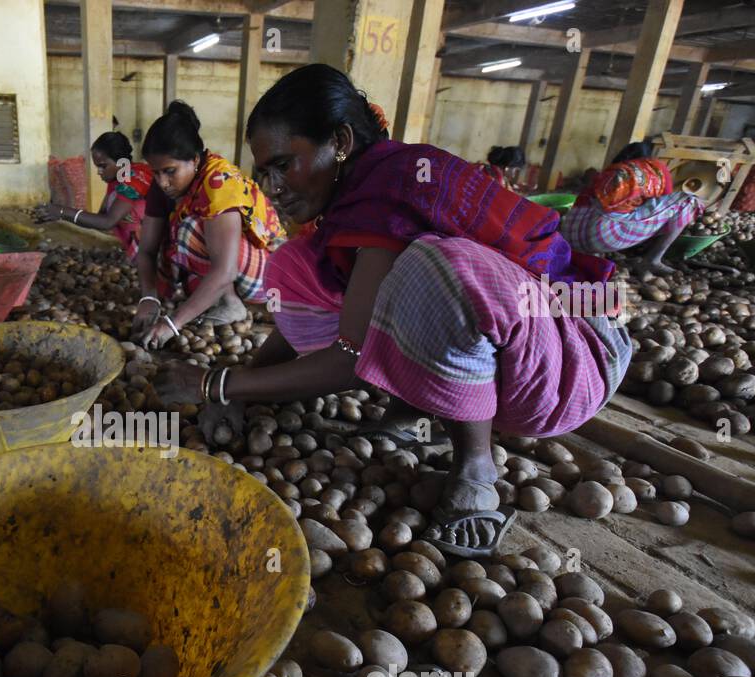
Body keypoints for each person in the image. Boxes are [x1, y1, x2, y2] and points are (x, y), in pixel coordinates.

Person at [155, 63, 632, 559]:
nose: (272, 187)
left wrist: (216, 382)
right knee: (299, 263)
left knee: (438, 268)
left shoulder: (396, 184)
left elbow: (347, 355)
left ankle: (476, 468)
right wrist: (245, 388)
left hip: (569, 364)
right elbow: (324, 323)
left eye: (284, 164)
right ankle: (411, 409)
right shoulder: (352, 205)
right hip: (511, 355)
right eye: (263, 173)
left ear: (339, 141)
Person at [132, 101, 286, 350]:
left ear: (194, 159)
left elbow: (225, 270)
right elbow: (147, 250)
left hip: (272, 272)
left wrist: (172, 324)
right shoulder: (163, 185)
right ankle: (221, 299)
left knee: (189, 230)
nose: (162, 182)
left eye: (170, 171)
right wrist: (149, 297)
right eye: (156, 172)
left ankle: (232, 302)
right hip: (230, 267)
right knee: (169, 248)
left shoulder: (217, 184)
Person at [561, 140, 720, 276]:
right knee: (688, 201)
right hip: (601, 237)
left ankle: (598, 252)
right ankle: (652, 260)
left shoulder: (610, 173)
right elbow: (663, 213)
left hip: (570, 235)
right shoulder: (656, 170)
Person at [34, 132, 154, 259]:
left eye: (103, 166)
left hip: (151, 252)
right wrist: (60, 216)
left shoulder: (134, 179)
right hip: (136, 252)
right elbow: (100, 219)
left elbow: (108, 222)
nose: (99, 172)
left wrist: (63, 211)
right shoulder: (117, 181)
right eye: (97, 166)